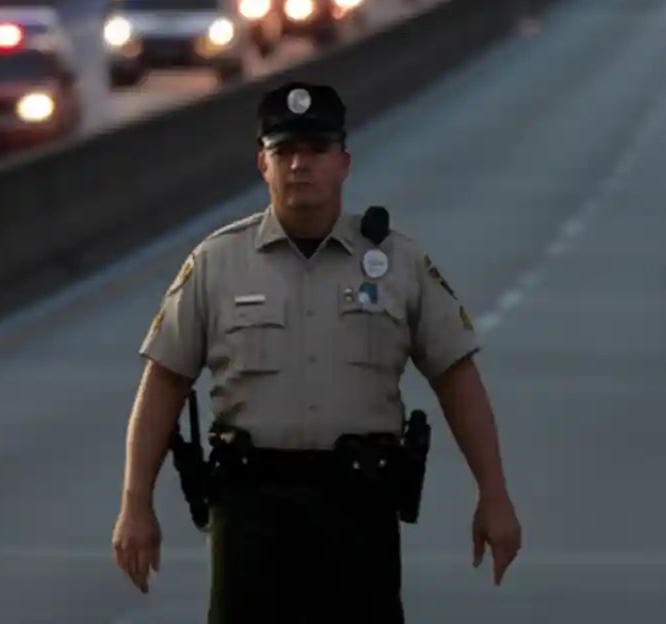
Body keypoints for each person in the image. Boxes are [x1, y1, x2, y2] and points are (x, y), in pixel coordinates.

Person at [111, 81, 522, 622]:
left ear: (344, 162)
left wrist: (493, 494)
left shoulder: (396, 263)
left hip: (358, 508)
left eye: (315, 150)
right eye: (284, 152)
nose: (299, 164)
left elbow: (456, 377)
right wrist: (135, 503)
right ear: (263, 163)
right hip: (251, 509)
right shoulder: (217, 263)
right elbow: (164, 381)